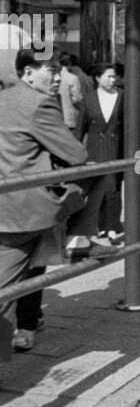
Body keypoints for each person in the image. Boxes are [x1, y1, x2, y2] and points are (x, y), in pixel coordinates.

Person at [0, 50, 90, 357]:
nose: (57, 77)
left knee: (24, 273)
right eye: (50, 70)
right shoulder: (39, 104)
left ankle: (28, 322)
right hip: (21, 212)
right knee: (7, 288)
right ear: (27, 73)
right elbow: (76, 155)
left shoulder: (4, 98)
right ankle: (83, 238)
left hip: (13, 207)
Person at [80, 63, 124, 247]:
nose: (112, 80)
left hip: (116, 148)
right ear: (98, 78)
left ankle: (113, 225)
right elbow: (81, 126)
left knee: (113, 188)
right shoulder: (89, 98)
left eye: (114, 77)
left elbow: (130, 126)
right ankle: (98, 225)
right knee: (97, 187)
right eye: (108, 76)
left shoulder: (122, 96)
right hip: (94, 148)